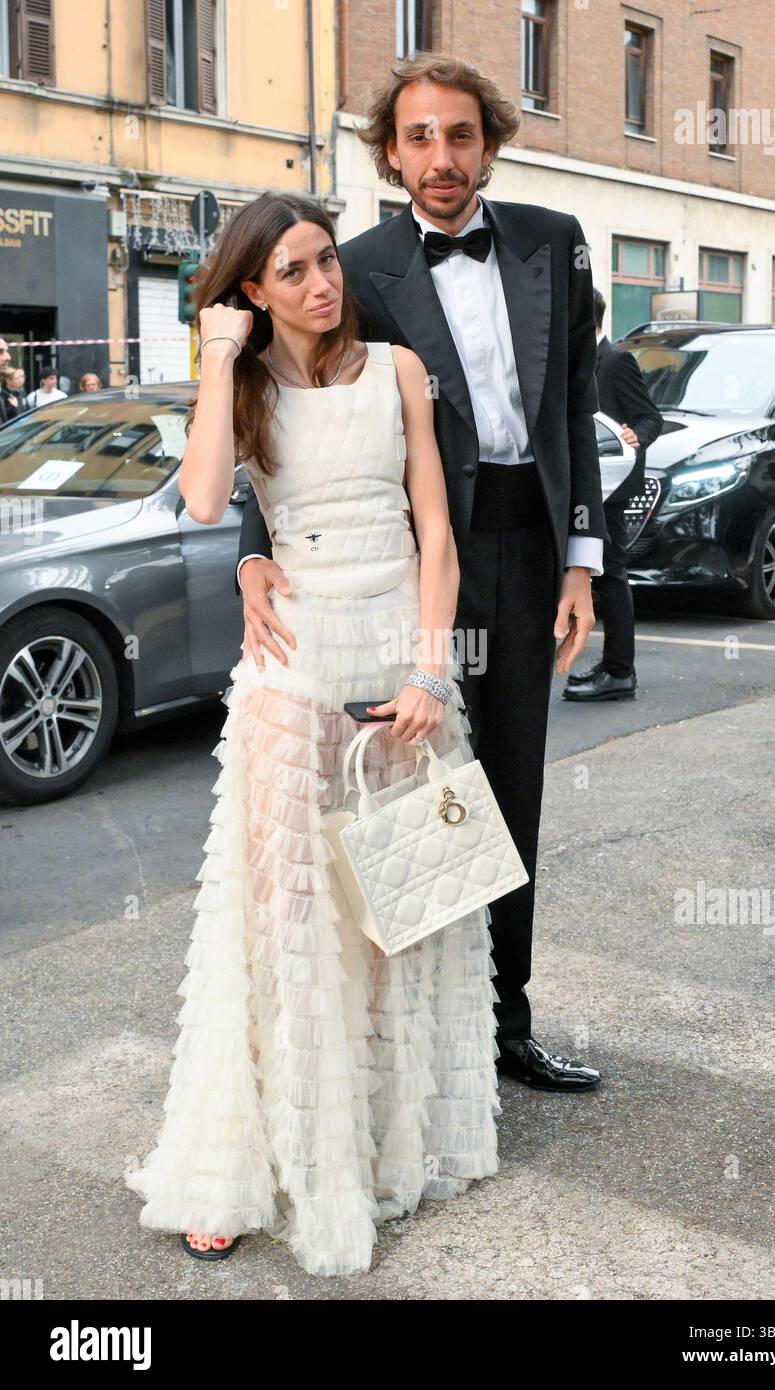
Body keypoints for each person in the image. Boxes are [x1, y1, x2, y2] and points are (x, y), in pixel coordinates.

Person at [124, 190, 501, 1276]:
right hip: (291, 671)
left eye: (325, 260)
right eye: (290, 270)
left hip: (397, 650)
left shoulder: (398, 372)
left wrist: (433, 668)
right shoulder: (238, 392)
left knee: (402, 908)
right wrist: (215, 353)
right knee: (284, 924)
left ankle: (388, 1144)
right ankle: (259, 1158)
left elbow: (438, 530)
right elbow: (204, 499)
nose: (320, 282)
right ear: (253, 289)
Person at [236, 53, 607, 1094]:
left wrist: (582, 558)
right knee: (410, 798)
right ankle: (424, 1041)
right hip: (413, 559)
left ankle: (507, 1028)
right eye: (418, 138)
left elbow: (574, 405)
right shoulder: (351, 265)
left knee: (511, 791)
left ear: (488, 140)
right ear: (390, 153)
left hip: (529, 548)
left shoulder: (554, 244)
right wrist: (251, 551)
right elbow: (285, 423)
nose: (441, 158)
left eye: (459, 134)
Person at [564, 289, 663, 702]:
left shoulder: (617, 359)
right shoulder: (573, 360)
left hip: (613, 485)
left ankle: (620, 671)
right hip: (584, 484)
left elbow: (649, 416)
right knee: (596, 577)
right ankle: (610, 666)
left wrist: (635, 434)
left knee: (612, 575)